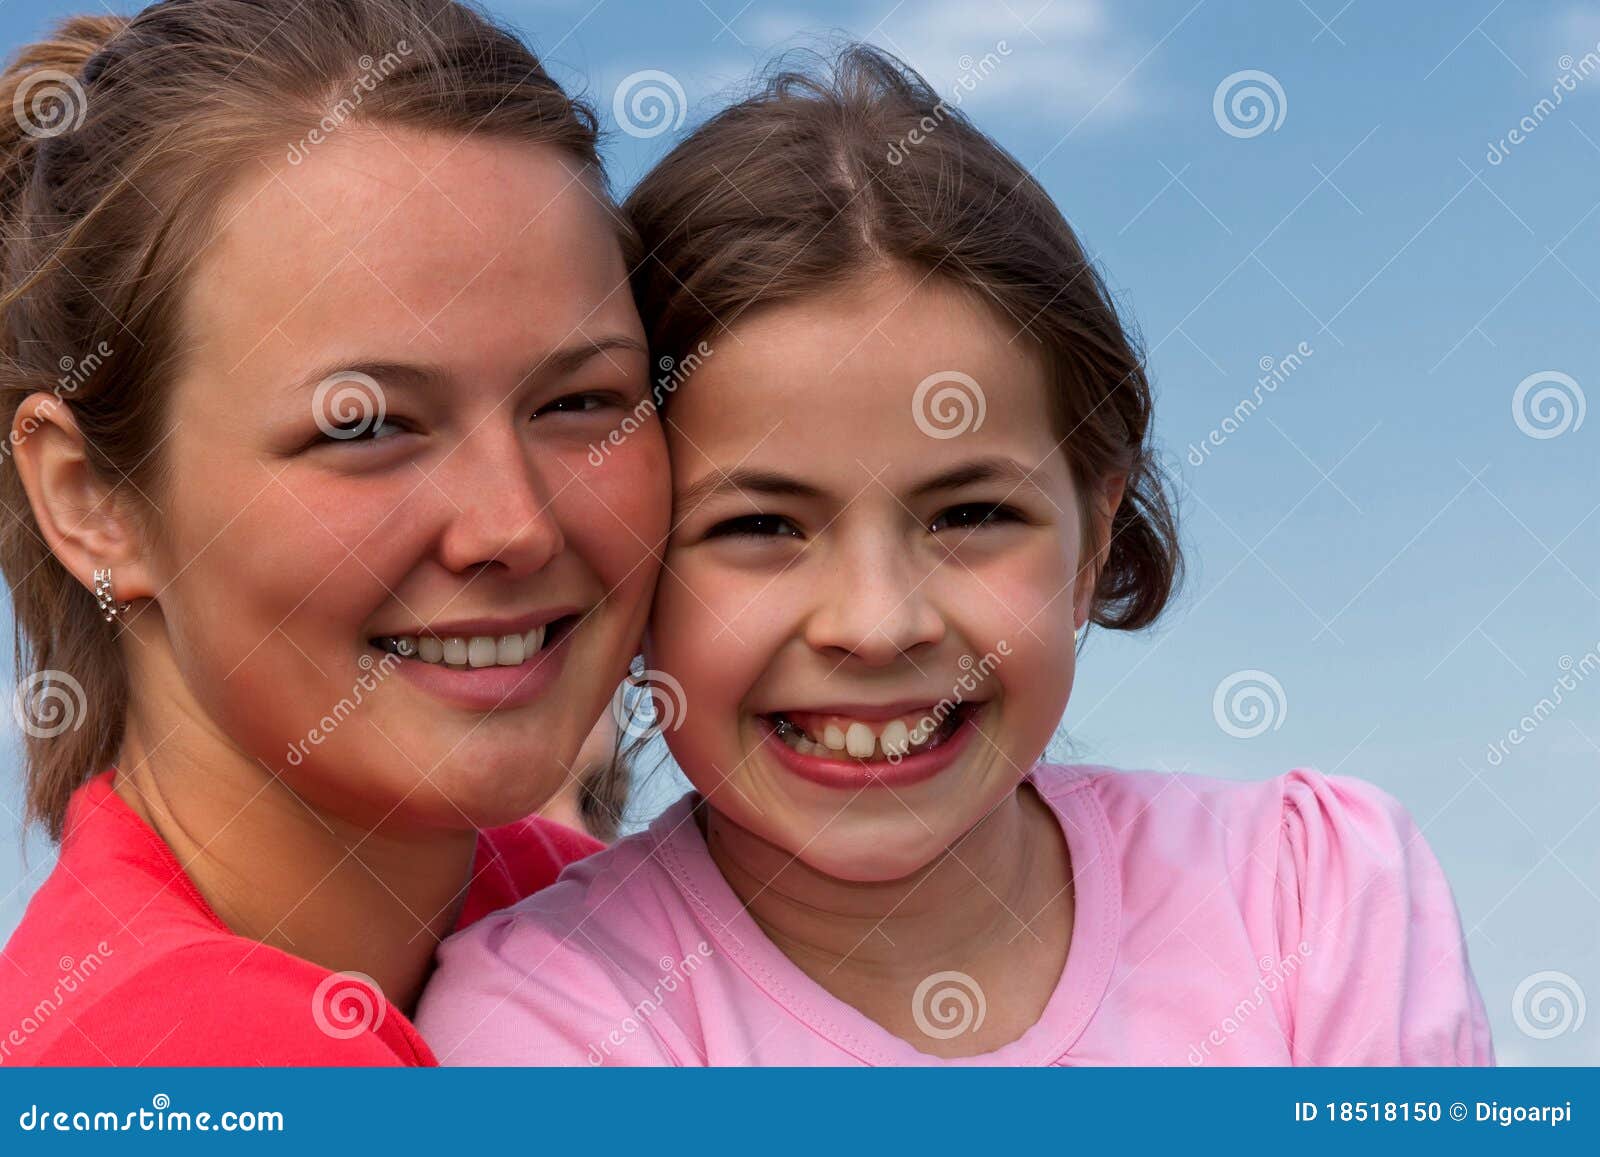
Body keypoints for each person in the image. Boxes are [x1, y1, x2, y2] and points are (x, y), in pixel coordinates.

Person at [417, 47, 1495, 1066]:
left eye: (969, 514)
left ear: (1094, 538)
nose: (878, 622)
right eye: (759, 527)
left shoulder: (1312, 896)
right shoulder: (553, 1022)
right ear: (636, 564)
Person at [0, 0, 667, 1065]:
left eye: (579, 403)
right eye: (368, 426)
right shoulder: (187, 1065)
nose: (514, 524)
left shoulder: (594, 909)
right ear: (91, 500)